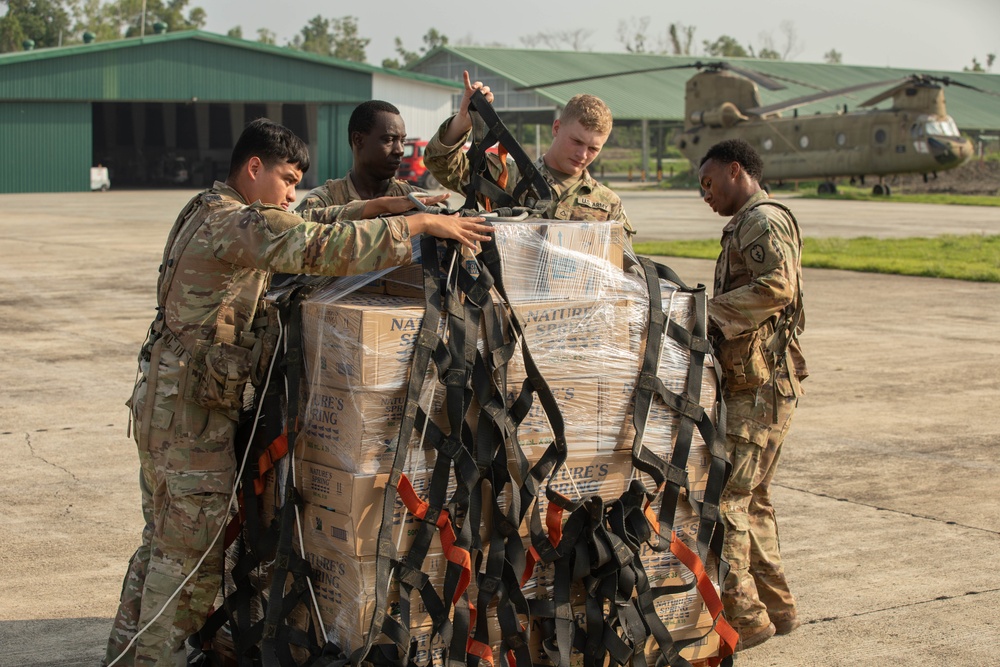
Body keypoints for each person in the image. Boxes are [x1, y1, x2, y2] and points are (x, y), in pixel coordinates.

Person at [104, 118, 490, 667]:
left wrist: (372, 209)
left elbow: (306, 217)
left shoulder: (207, 207)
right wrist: (420, 226)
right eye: (286, 179)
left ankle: (122, 655)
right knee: (189, 562)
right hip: (190, 421)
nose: (292, 193)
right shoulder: (234, 224)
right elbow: (311, 244)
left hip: (167, 409)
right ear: (254, 168)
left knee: (160, 546)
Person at [697, 138, 806, 652]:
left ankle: (747, 618)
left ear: (736, 171)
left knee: (727, 501)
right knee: (755, 498)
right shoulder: (752, 221)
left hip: (758, 387)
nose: (706, 193)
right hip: (768, 381)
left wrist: (706, 315)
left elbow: (777, 286)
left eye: (709, 182)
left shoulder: (759, 220)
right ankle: (778, 610)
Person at [423, 71, 633, 234]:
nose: (583, 154)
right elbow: (440, 162)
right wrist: (463, 121)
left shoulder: (608, 205)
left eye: (593, 148)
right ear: (557, 128)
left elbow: (622, 266)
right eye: (576, 141)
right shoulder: (509, 177)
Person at [298, 100, 422, 213]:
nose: (400, 150)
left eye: (402, 141)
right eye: (389, 140)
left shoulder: (416, 200)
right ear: (358, 140)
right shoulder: (323, 202)